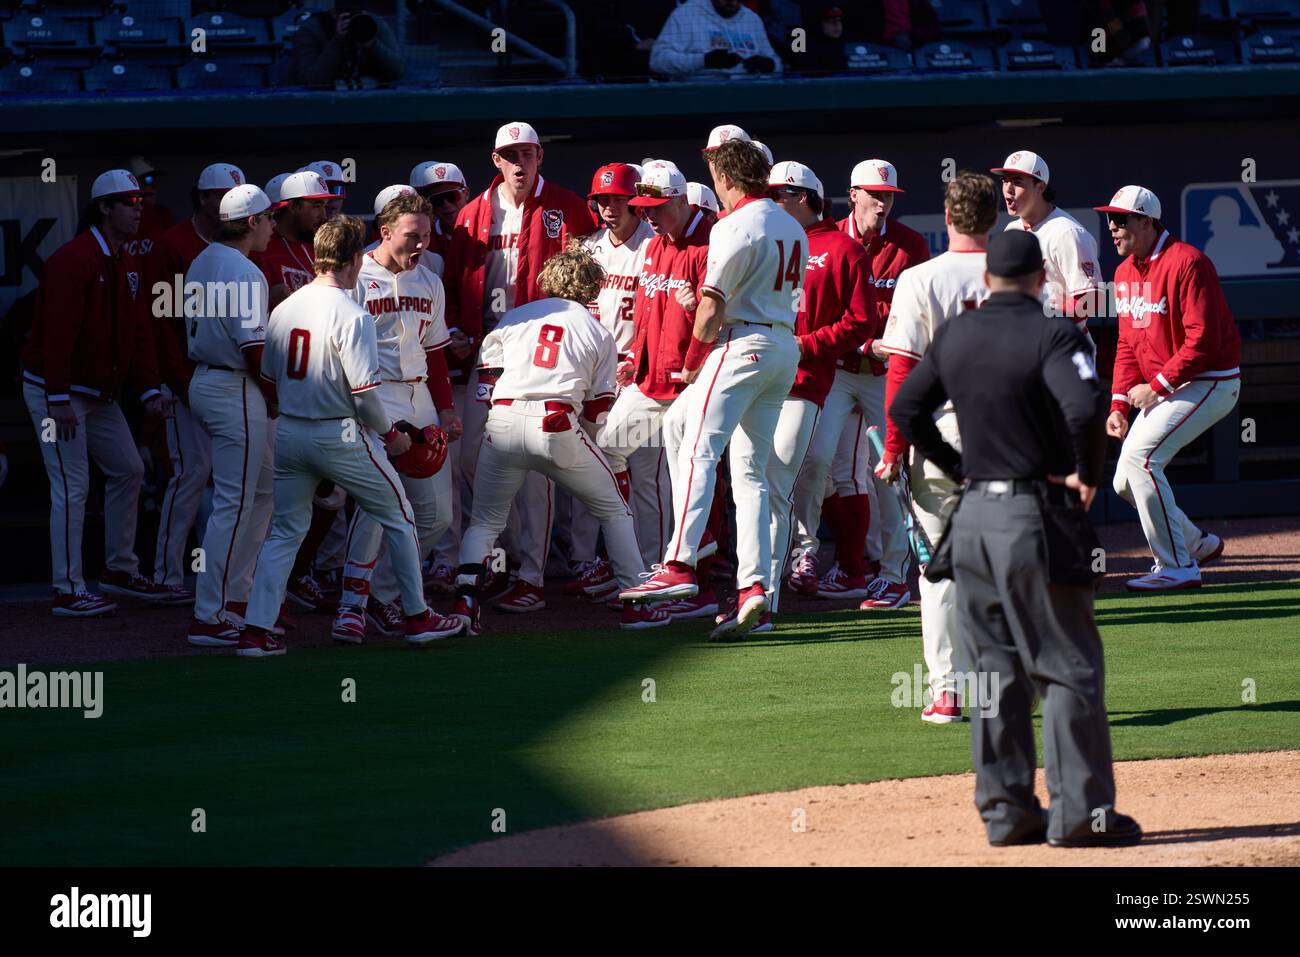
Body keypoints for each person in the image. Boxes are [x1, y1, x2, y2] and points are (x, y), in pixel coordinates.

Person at [890, 228, 1142, 848]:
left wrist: (957, 468)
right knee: (1066, 666)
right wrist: (1087, 475)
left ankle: (1006, 812)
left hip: (972, 520)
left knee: (994, 673)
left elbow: (904, 411)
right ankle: (1081, 815)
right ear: (1038, 280)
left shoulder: (959, 334)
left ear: (988, 281)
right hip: (1036, 514)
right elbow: (1083, 410)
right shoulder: (1052, 331)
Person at [238, 216, 461, 657]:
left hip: (289, 431)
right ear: (355, 257)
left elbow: (267, 376)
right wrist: (392, 436)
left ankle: (255, 630)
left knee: (284, 531)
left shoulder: (284, 308)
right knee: (400, 515)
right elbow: (364, 397)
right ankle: (416, 616)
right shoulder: (353, 313)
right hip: (339, 431)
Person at [620, 139, 806, 642]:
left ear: (725, 179)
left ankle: (680, 561)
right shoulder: (792, 223)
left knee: (693, 438)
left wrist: (691, 363)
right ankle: (753, 590)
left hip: (742, 341)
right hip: (783, 346)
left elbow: (710, 306)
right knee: (748, 474)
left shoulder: (731, 225)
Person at [451, 247, 670, 635]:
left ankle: (465, 600)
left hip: (501, 421)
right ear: (592, 287)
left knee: (483, 522)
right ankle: (636, 602)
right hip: (555, 424)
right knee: (615, 510)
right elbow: (597, 410)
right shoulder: (596, 330)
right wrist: (588, 446)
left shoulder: (514, 316)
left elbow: (485, 385)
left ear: (547, 281)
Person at [442, 120, 598, 613]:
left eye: (527, 154)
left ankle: (530, 573)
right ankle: (500, 562)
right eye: (510, 155)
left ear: (539, 158)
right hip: (489, 350)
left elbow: (589, 278)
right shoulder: (473, 213)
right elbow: (454, 281)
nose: (519, 163)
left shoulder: (567, 207)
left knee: (535, 470)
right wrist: (457, 330)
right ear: (495, 161)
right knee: (474, 460)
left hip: (539, 350)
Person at [876, 170, 999, 723]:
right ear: (995, 219)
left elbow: (901, 372)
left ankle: (948, 691)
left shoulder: (920, 277)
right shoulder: (1027, 278)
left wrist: (893, 447)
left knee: (941, 570)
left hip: (943, 436)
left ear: (947, 218)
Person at [21, 169, 173, 616]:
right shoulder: (74, 258)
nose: (138, 209)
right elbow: (57, 335)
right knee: (72, 486)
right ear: (104, 207)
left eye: (141, 201)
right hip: (57, 392)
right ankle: (67, 588)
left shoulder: (125, 258)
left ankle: (119, 569)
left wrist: (147, 390)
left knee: (129, 469)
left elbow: (137, 331)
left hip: (96, 392)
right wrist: (58, 397)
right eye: (129, 202)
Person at [790, 158, 926, 608]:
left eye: (888, 196)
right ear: (853, 195)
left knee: (886, 472)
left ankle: (890, 573)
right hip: (836, 368)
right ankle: (808, 555)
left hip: (885, 375)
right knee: (814, 460)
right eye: (874, 194)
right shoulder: (826, 241)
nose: (882, 203)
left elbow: (918, 315)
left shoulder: (909, 246)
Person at [1096, 185, 1240, 590]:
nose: (1112, 227)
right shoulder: (1124, 272)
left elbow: (1203, 341)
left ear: (1146, 221)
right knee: (1124, 479)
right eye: (1110, 219)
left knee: (1141, 462)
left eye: (1120, 219)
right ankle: (1195, 544)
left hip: (1211, 381)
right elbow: (1127, 343)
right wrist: (1119, 403)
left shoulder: (1188, 261)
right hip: (1171, 385)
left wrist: (1157, 386)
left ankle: (1177, 566)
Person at [333, 193, 461, 642]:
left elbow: (436, 351)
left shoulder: (429, 280)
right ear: (385, 232)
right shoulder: (355, 278)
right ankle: (351, 603)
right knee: (378, 503)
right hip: (373, 394)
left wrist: (445, 409)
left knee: (436, 515)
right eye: (412, 235)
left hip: (419, 393)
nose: (421, 243)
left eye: (426, 235)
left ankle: (381, 594)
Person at [600, 159, 718, 619]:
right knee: (608, 448)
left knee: (682, 485)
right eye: (641, 206)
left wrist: (694, 313)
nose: (646, 214)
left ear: (681, 201)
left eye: (655, 207)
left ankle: (697, 588)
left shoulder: (709, 244)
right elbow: (647, 313)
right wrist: (635, 358)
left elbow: (723, 318)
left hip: (692, 381)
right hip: (649, 381)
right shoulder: (654, 246)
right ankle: (648, 563)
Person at [762, 160, 875, 627]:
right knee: (759, 472)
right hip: (762, 376)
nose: (772, 204)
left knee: (811, 466)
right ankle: (754, 572)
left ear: (805, 198)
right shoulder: (769, 242)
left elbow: (860, 322)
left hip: (812, 379)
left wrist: (808, 346)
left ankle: (803, 555)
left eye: (781, 196)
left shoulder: (843, 249)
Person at [146, 162, 246, 602]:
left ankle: (222, 577)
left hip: (228, 380)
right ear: (204, 198)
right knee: (190, 474)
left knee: (230, 483)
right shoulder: (173, 245)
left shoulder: (243, 245)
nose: (230, 205)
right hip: (186, 377)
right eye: (222, 196)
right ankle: (166, 574)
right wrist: (175, 382)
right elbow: (161, 323)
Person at [183, 185, 278, 648]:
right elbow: (254, 348)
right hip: (233, 384)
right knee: (235, 501)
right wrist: (277, 397)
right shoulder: (242, 269)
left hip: (209, 378)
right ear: (252, 221)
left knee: (261, 494)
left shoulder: (204, 259)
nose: (273, 226)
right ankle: (210, 614)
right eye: (268, 218)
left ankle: (236, 602)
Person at [560, 162, 659, 598]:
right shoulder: (585, 250)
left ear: (635, 201)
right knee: (589, 472)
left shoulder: (654, 247)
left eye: (618, 198)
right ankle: (585, 560)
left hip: (642, 375)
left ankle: (653, 564)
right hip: (593, 378)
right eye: (602, 200)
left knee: (646, 476)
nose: (609, 207)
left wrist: (639, 357)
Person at [992, 150, 1103, 348]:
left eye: (1017, 181)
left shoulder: (1067, 232)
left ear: (1040, 186)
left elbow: (1092, 300)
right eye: (1005, 180)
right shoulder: (1012, 229)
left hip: (1064, 347)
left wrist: (1044, 325)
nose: (1008, 189)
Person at [255, 170, 333, 313]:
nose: (323, 215)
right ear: (294, 207)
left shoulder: (315, 251)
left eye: (325, 206)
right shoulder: (261, 250)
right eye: (317, 205)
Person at [650, 0, 783, 78]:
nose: (732, 2)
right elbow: (658, 61)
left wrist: (769, 65)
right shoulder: (686, 13)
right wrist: (704, 61)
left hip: (746, 96)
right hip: (696, 96)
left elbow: (777, 64)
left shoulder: (751, 18)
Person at [287, 2, 404, 89]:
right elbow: (309, 81)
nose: (351, 20)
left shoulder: (373, 24)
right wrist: (337, 41)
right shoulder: (312, 29)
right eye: (345, 16)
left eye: (357, 14)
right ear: (333, 13)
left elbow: (398, 72)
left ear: (365, 12)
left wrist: (372, 43)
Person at [410, 161, 469, 277]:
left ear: (466, 193)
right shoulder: (421, 239)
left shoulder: (485, 229)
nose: (446, 204)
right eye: (437, 200)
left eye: (452, 196)